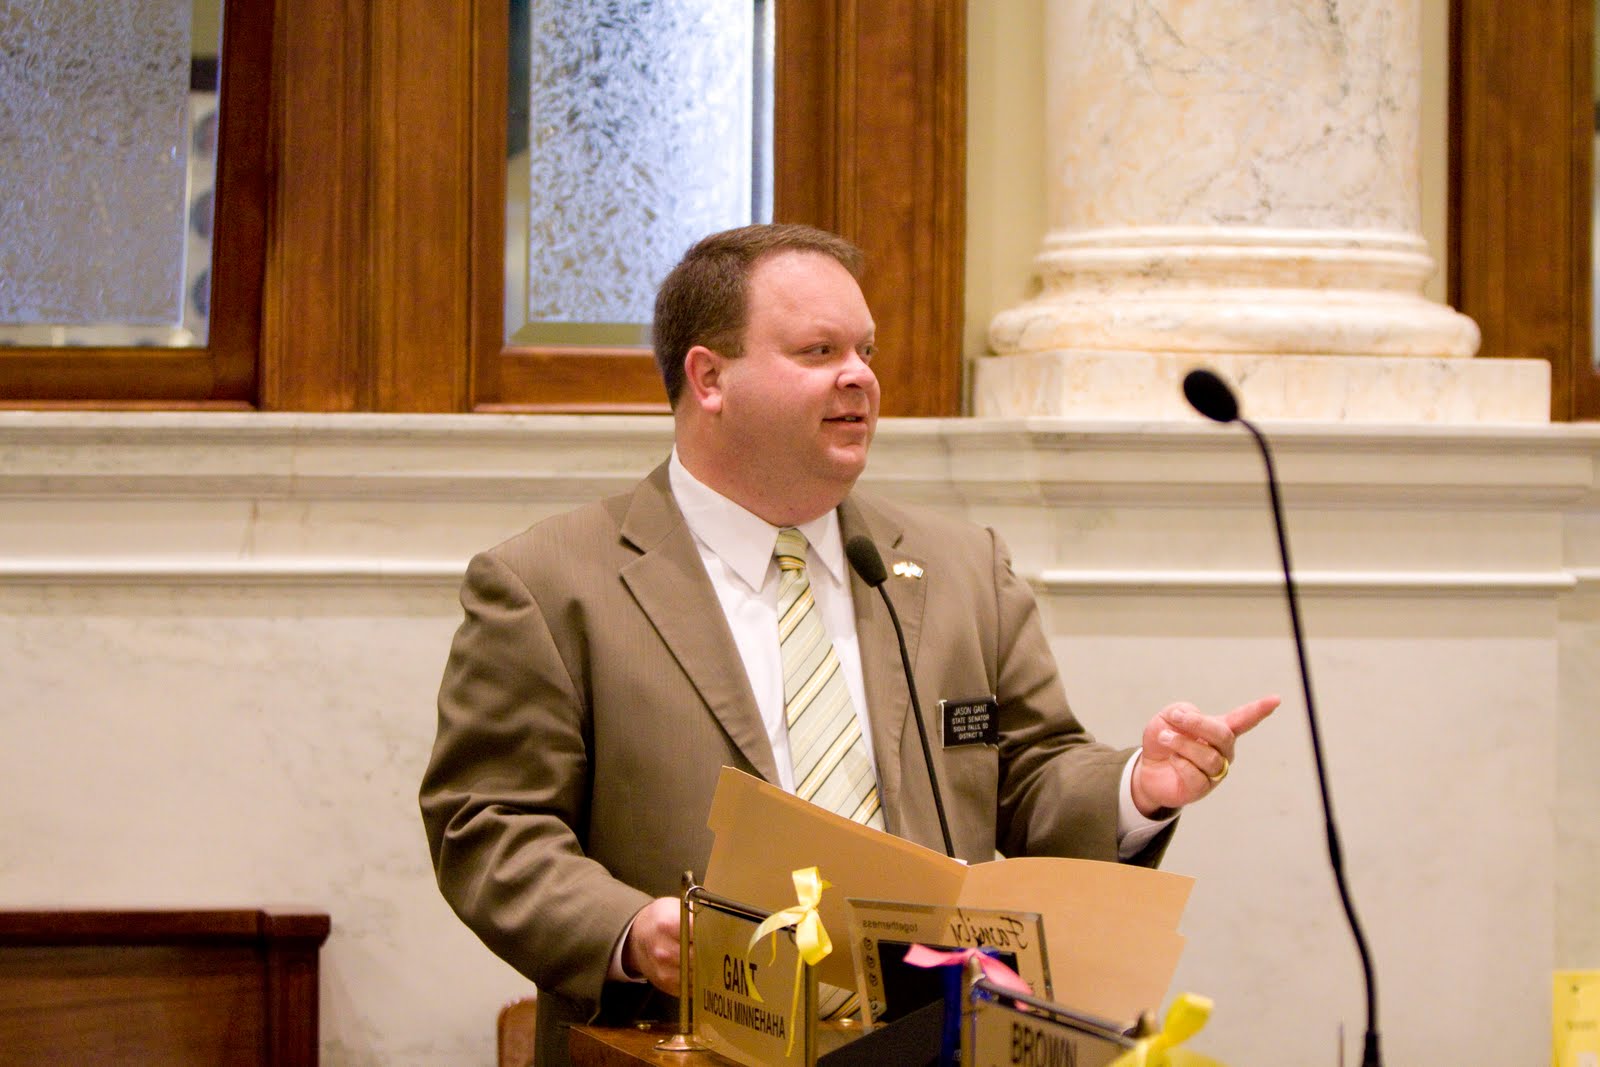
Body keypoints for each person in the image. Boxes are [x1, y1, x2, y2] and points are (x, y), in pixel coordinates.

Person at [419, 223, 1277, 1066]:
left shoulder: (959, 568)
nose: (860, 376)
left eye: (865, 349)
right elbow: (488, 823)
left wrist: (1136, 787)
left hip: (935, 1043)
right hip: (684, 1041)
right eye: (819, 351)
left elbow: (1033, 772)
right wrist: (630, 929)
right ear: (710, 378)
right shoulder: (551, 583)